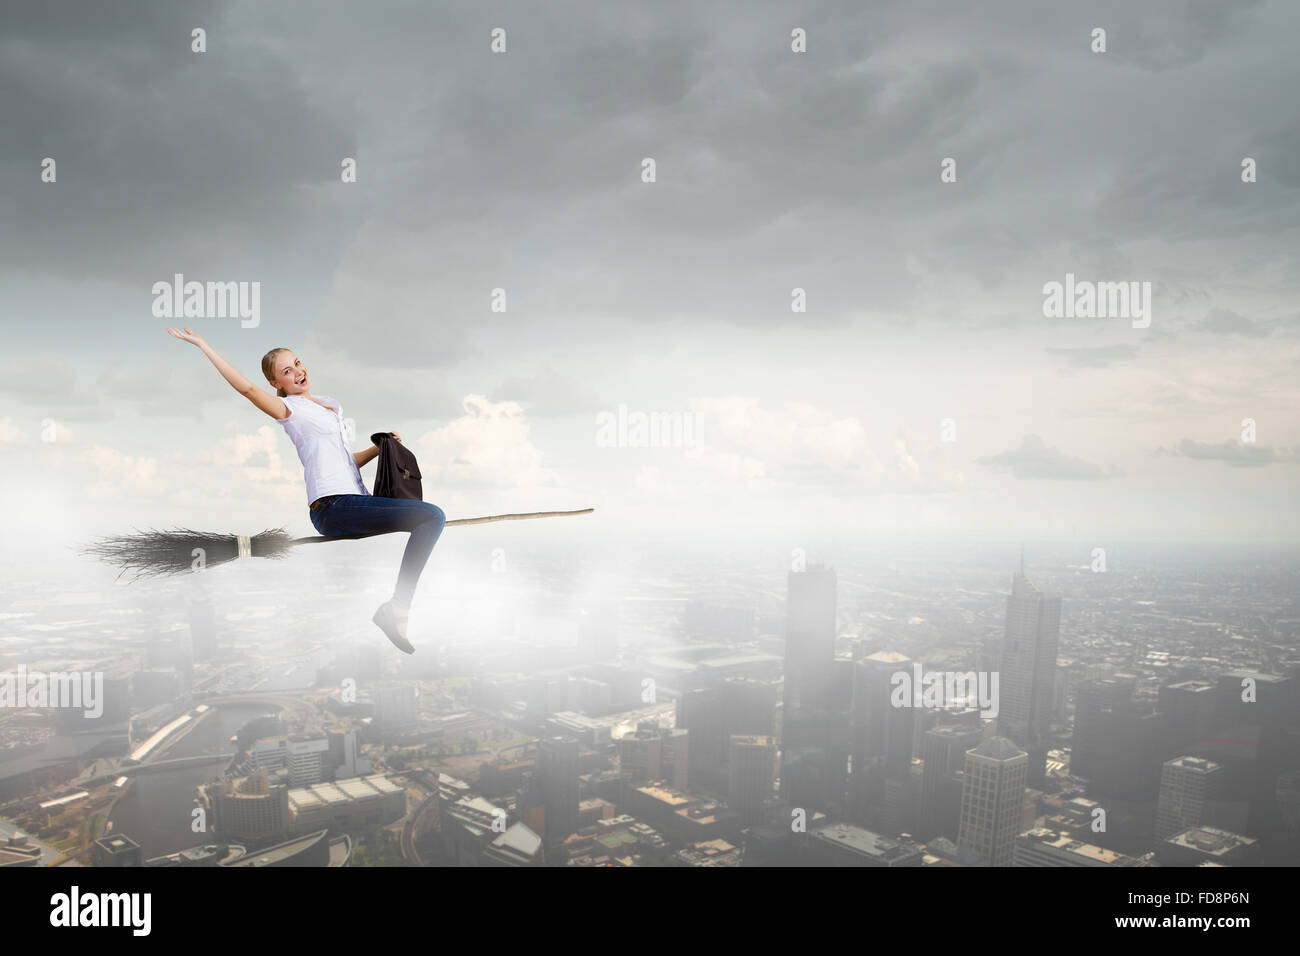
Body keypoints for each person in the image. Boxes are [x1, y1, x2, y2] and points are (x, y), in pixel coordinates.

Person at [165, 326, 444, 654]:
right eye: (286, 371)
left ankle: (396, 608)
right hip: (333, 507)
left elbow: (344, 463)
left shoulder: (329, 408)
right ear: (276, 384)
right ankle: (397, 609)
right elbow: (246, 389)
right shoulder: (291, 411)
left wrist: (380, 448)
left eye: (297, 363)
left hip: (355, 500)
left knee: (426, 517)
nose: (297, 372)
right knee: (432, 517)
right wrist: (202, 344)